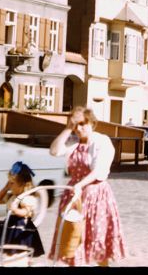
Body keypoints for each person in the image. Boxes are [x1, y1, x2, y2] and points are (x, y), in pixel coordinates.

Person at [49, 107, 125, 266]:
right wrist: (68, 128)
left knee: (97, 240)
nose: (79, 128)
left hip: (96, 196)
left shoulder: (101, 141)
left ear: (92, 123)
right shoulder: (73, 142)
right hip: (74, 197)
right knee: (72, 240)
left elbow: (98, 171)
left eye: (82, 124)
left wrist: (80, 185)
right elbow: (54, 151)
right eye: (75, 125)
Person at [0, 161, 45, 257]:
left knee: (19, 252)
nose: (10, 185)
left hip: (20, 229)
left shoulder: (26, 198)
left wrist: (16, 210)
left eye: (12, 183)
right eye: (9, 183)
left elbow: (27, 213)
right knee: (8, 251)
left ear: (22, 185)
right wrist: (5, 188)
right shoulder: (12, 196)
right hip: (10, 227)